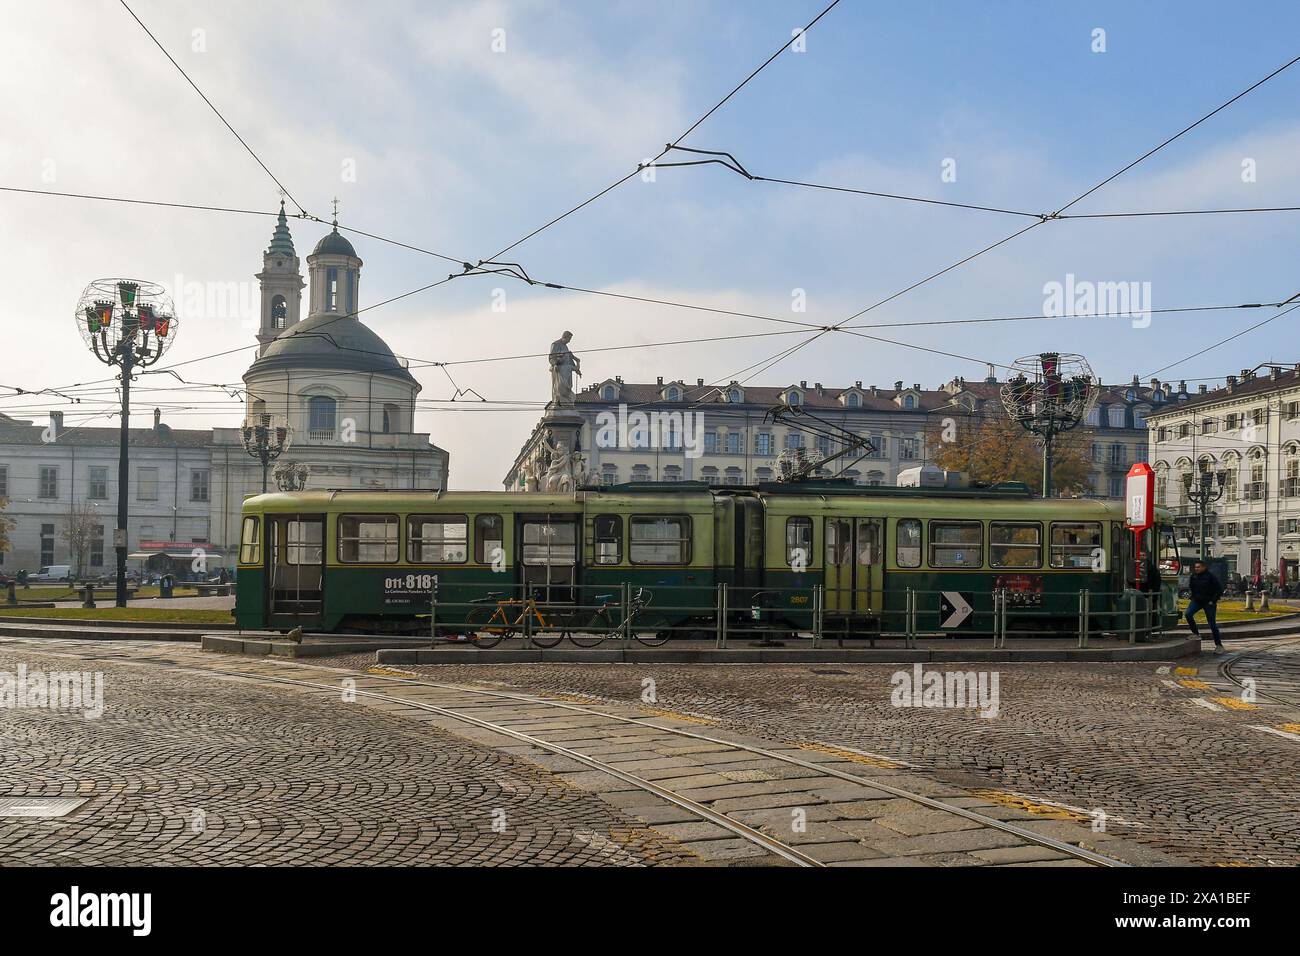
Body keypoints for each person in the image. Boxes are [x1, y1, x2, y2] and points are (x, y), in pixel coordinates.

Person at [1186, 560, 1224, 652]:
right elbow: (1191, 587)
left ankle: (1219, 645)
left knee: (1212, 623)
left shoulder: (1211, 577)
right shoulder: (1194, 576)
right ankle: (1196, 633)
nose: (1196, 569)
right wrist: (1192, 596)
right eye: (1195, 567)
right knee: (1188, 614)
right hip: (1197, 600)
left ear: (1204, 567)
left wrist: (1213, 600)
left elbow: (1219, 589)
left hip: (1209, 602)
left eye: (1198, 567)